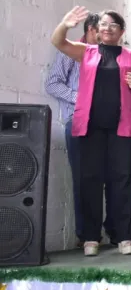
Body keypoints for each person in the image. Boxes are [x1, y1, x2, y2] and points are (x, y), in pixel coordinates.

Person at [51, 7, 131, 256]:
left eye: (113, 25)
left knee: (122, 180)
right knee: (89, 180)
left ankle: (125, 235)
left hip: (122, 126)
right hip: (90, 126)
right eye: (103, 24)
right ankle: (90, 237)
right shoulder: (86, 51)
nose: (107, 28)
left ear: (121, 31)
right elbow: (58, 42)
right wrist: (65, 23)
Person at [45, 12, 99, 247]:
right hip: (77, 123)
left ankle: (105, 231)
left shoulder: (110, 55)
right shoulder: (72, 52)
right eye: (100, 29)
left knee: (106, 178)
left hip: (105, 126)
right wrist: (80, 98)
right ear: (88, 31)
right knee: (82, 179)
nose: (106, 33)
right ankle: (85, 235)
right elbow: (52, 83)